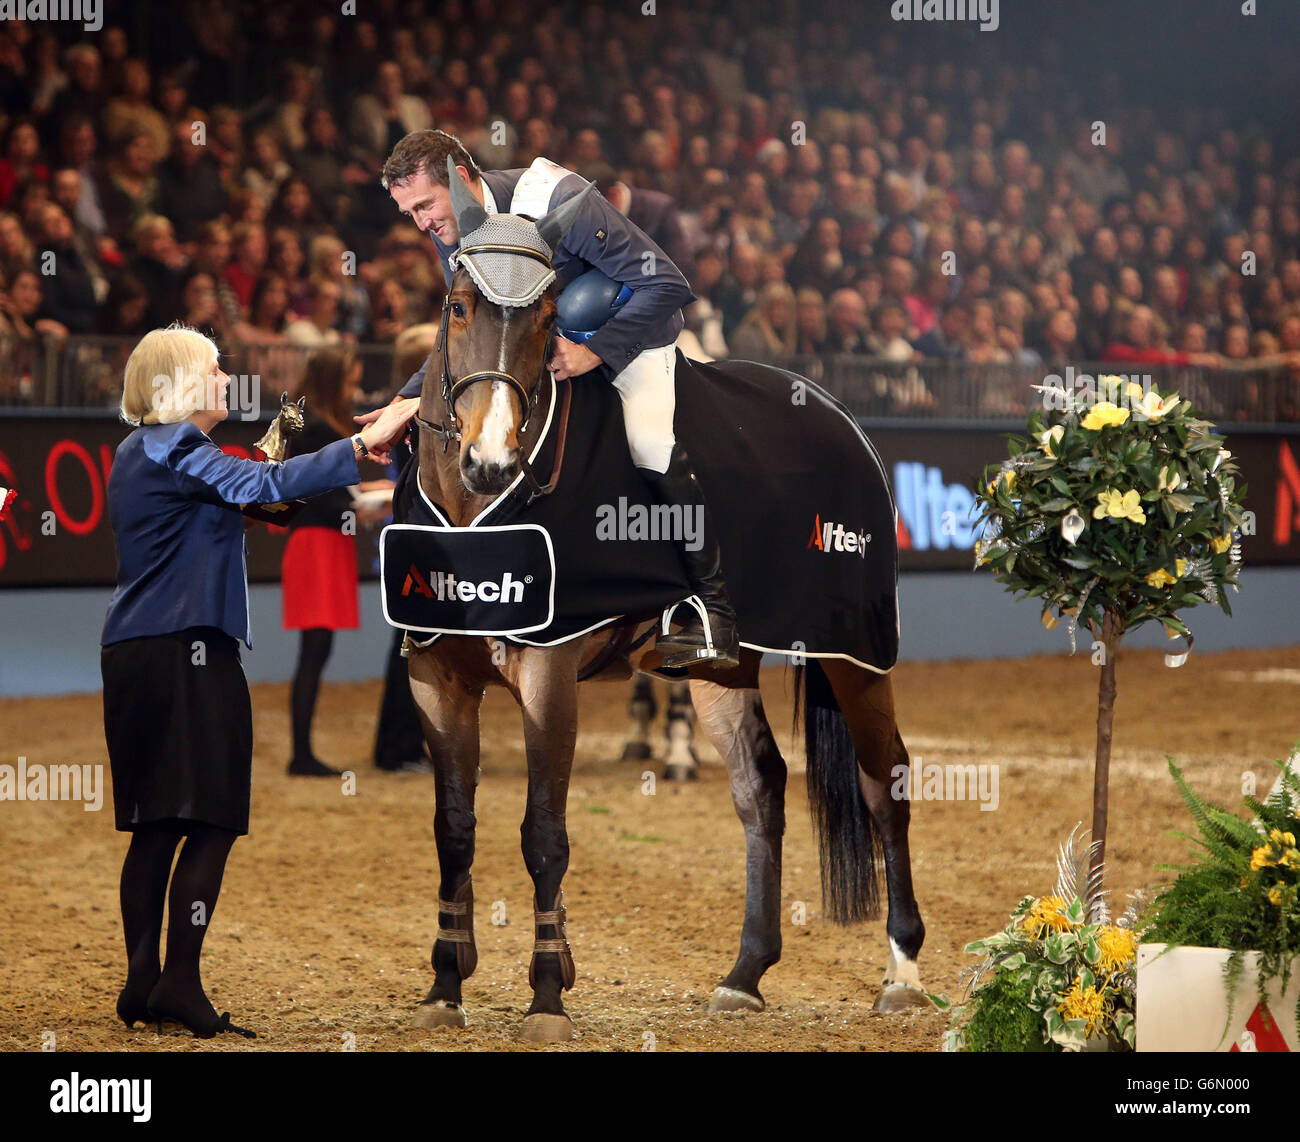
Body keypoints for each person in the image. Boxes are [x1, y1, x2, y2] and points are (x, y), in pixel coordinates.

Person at [101, 324, 417, 1038]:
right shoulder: (181, 448)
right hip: (192, 651)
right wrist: (365, 442)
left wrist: (293, 459)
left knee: (155, 825)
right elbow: (266, 486)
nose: (225, 380)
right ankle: (179, 982)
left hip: (133, 651)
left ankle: (143, 979)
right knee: (212, 820)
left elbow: (258, 500)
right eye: (213, 370)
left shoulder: (140, 451)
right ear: (178, 384)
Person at [376, 129, 739, 666]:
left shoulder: (555, 198)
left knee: (648, 443)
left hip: (629, 332)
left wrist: (597, 354)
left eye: (426, 205)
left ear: (462, 181)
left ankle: (713, 609)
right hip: (544, 342)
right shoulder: (451, 224)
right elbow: (467, 329)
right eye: (410, 212)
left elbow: (667, 283)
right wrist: (407, 399)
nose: (423, 223)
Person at [282, 347, 392, 776]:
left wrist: (362, 497)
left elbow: (333, 496)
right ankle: (301, 754)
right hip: (317, 546)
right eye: (349, 382)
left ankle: (302, 752)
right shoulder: (315, 430)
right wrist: (364, 506)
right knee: (314, 650)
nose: (354, 391)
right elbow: (317, 499)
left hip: (325, 544)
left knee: (316, 650)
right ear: (332, 384)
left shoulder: (321, 427)